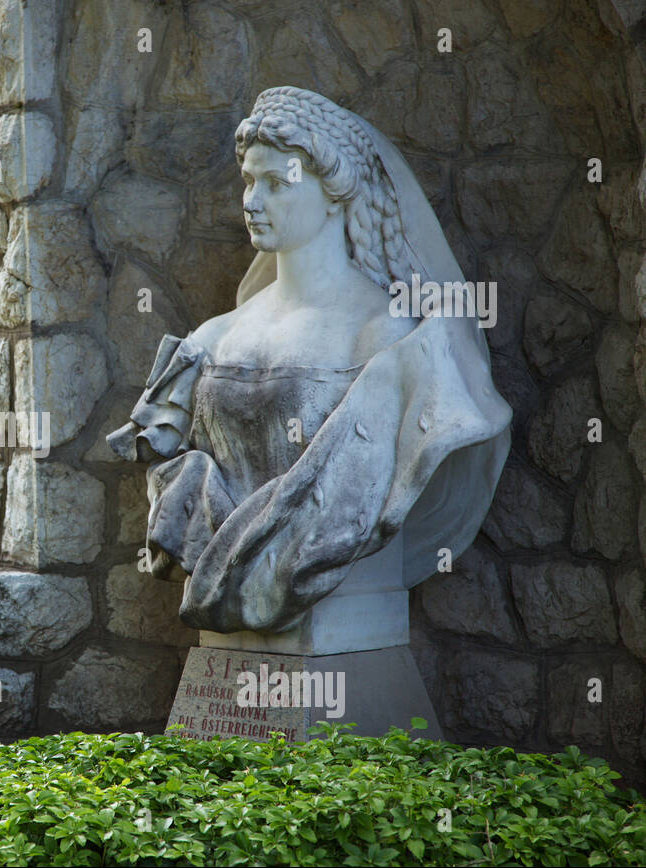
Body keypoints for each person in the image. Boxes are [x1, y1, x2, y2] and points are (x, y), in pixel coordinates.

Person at [108, 87, 511, 635]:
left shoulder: (387, 339)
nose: (252, 201)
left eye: (277, 183)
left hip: (346, 622)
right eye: (250, 181)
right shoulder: (212, 339)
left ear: (336, 193)